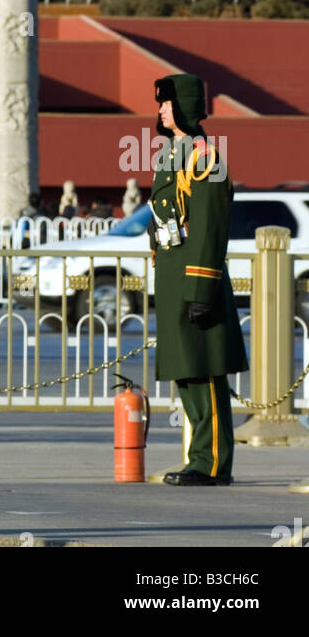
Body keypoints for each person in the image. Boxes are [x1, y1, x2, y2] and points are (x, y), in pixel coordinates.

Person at [151, 72, 248, 486]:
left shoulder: (206, 157)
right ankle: (198, 458)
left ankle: (212, 464)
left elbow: (209, 228)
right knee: (186, 370)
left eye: (166, 104)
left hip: (195, 276)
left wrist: (201, 286)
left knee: (206, 372)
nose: (159, 110)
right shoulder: (171, 153)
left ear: (184, 107)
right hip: (174, 273)